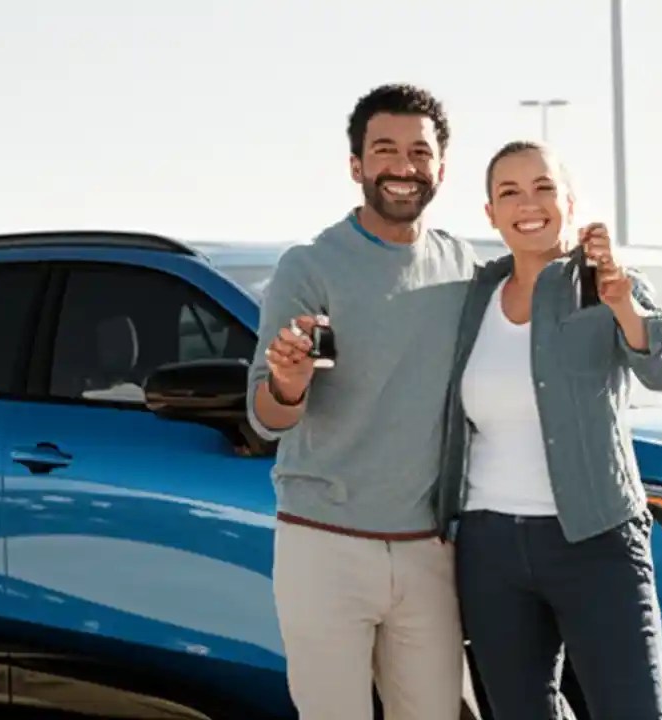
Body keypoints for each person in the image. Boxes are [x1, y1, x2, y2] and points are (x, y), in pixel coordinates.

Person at [435, 140, 662, 720]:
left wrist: (624, 304)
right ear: (491, 213)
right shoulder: (474, 297)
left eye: (544, 187)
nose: (528, 203)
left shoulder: (606, 282)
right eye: (509, 192)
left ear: (570, 203)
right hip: (489, 548)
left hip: (596, 539)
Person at [248, 84, 476, 720]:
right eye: (385, 150)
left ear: (441, 168)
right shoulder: (308, 267)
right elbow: (265, 417)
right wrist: (288, 381)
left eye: (419, 152)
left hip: (430, 551)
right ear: (356, 165)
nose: (404, 166)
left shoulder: (464, 269)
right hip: (324, 545)